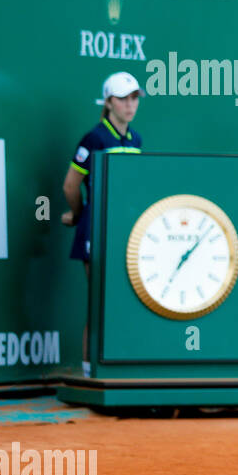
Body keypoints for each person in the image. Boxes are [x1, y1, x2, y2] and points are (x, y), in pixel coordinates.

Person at [62, 71, 144, 376]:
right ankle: (89, 371)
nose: (130, 105)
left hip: (125, 232)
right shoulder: (93, 139)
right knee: (99, 300)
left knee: (123, 299)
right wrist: (79, 214)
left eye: (134, 98)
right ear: (108, 102)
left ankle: (121, 366)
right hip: (94, 229)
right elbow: (71, 186)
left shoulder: (136, 139)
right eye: (123, 98)